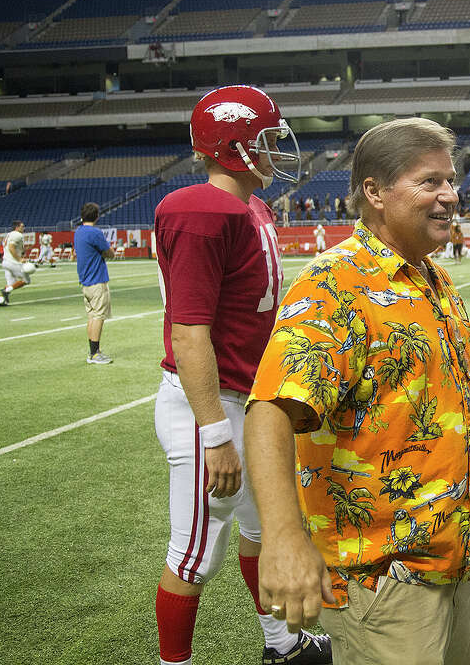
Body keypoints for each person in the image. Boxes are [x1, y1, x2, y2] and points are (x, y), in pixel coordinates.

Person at [243, 117, 470, 665]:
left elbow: (467, 384)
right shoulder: (333, 284)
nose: (450, 196)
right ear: (374, 192)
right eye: (429, 182)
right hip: (381, 577)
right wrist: (283, 538)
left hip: (451, 563)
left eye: (451, 181)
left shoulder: (434, 278)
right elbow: (269, 409)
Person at [151, 85, 328, 665]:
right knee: (195, 554)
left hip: (247, 398)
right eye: (267, 140)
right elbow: (188, 329)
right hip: (212, 405)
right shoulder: (198, 209)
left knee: (260, 528)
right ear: (235, 147)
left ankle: (282, 643)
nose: (277, 150)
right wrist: (214, 433)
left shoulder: (251, 207)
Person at [75, 202, 114, 364]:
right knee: (98, 316)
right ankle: (95, 354)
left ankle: (92, 351)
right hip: (97, 279)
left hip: (85, 280)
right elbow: (109, 252)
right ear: (97, 216)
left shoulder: (78, 231)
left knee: (91, 316)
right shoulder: (94, 232)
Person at [0, 220, 32, 306]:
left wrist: (25, 250)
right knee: (26, 280)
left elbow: (14, 248)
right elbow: (11, 247)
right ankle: (5, 291)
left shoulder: (9, 234)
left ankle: (1, 300)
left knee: (11, 284)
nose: (23, 228)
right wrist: (19, 259)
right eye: (22, 226)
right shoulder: (17, 234)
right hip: (13, 262)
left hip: (6, 262)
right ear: (17, 227)